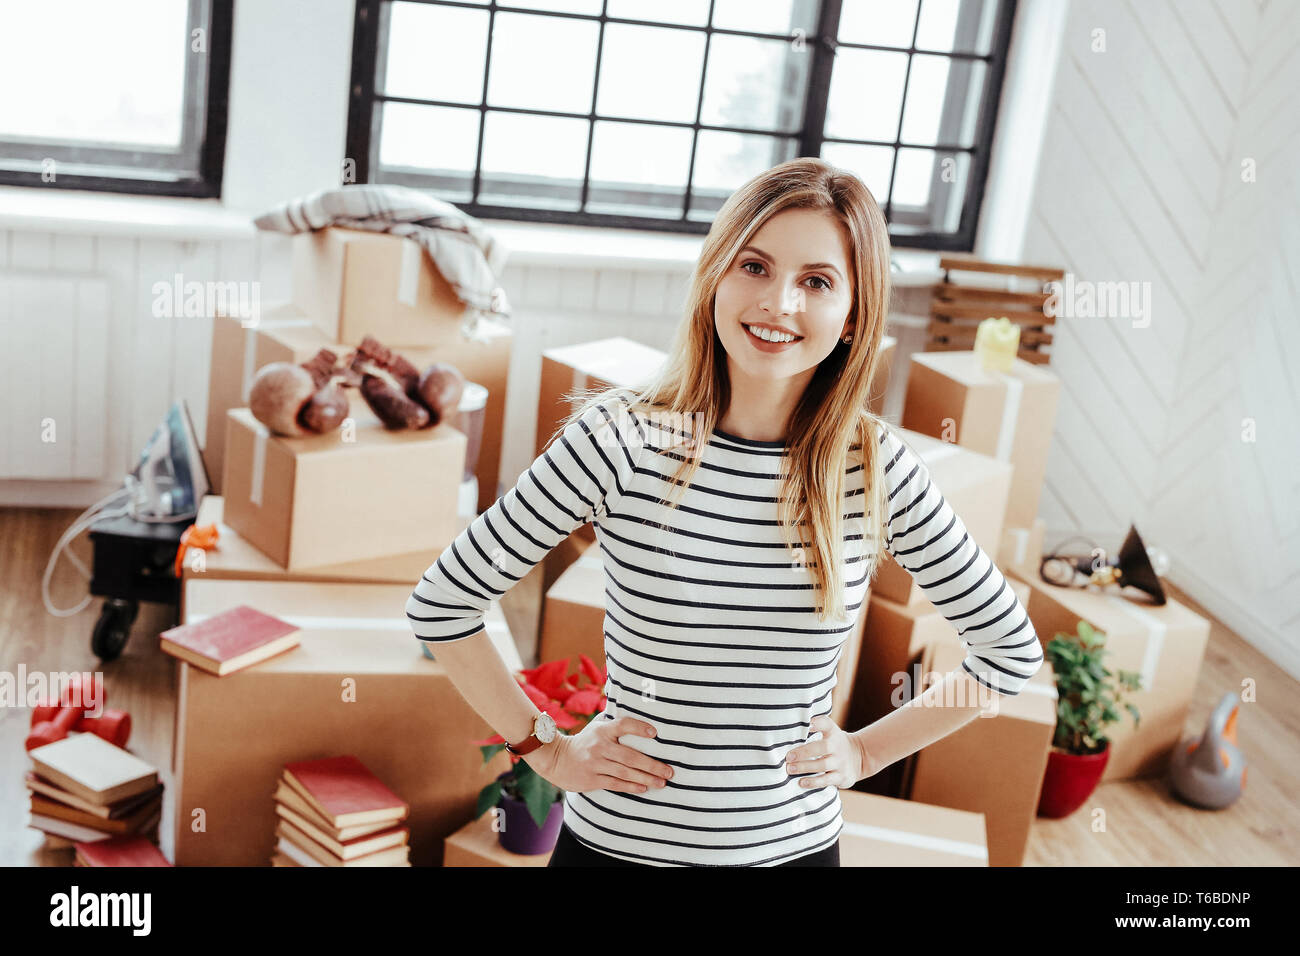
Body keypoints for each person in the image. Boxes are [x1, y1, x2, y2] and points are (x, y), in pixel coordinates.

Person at [406, 157, 1044, 867]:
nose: (780, 303)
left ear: (853, 313)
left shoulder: (876, 469)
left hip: (792, 854)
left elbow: (1009, 651)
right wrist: (547, 752)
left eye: (817, 281)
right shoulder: (620, 438)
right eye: (755, 266)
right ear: (716, 273)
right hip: (617, 851)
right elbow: (444, 604)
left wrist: (864, 752)